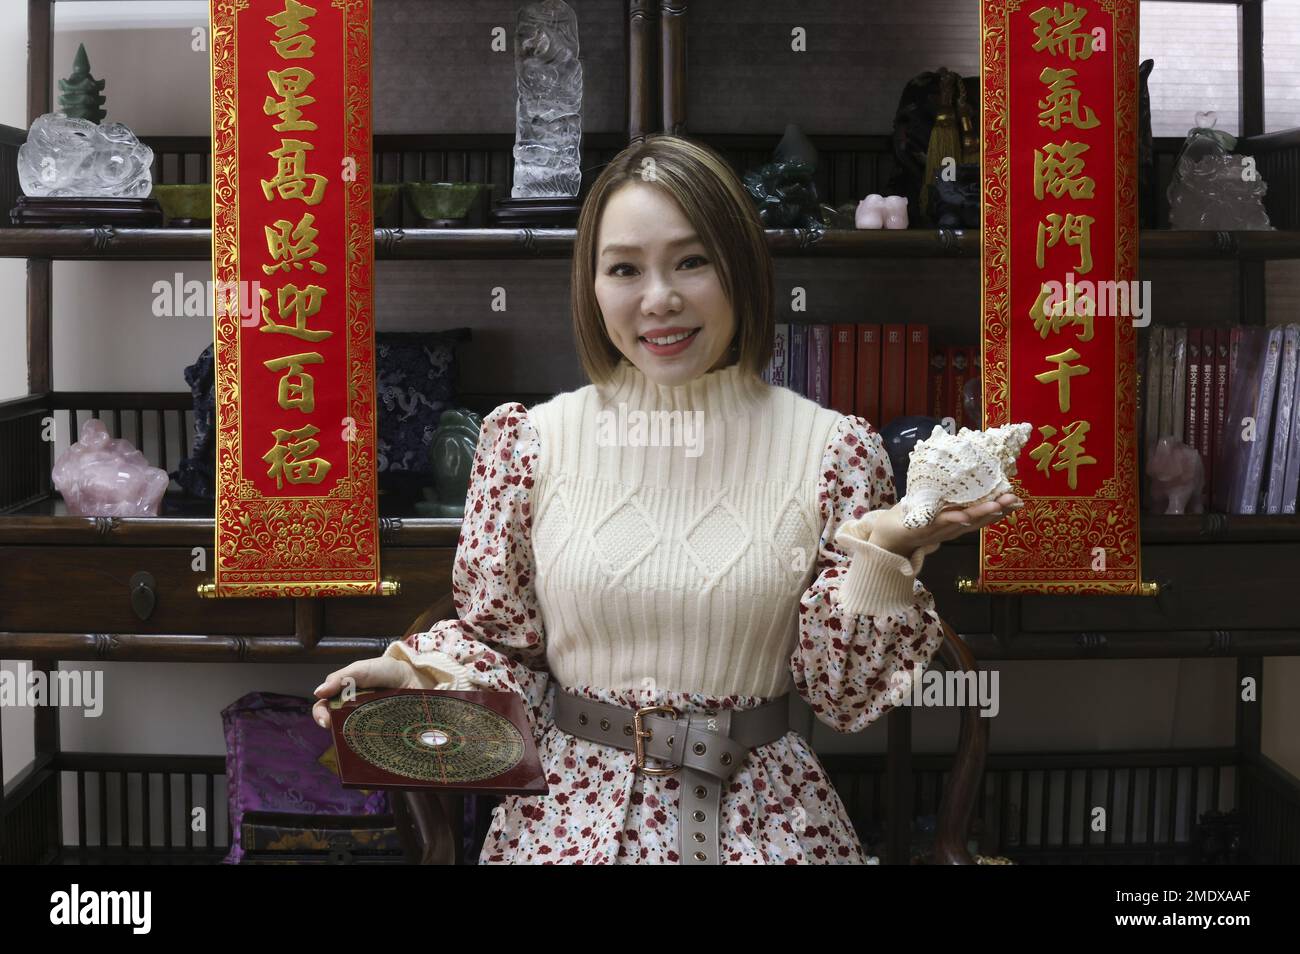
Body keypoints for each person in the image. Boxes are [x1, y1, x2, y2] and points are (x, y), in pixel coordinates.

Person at [312, 134, 1022, 864]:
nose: (659, 299)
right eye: (625, 268)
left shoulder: (833, 452)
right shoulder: (530, 445)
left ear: (741, 270)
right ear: (592, 285)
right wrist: (418, 675)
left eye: (692, 261)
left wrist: (886, 558)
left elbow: (843, 700)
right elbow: (506, 648)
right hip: (567, 820)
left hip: (764, 819)